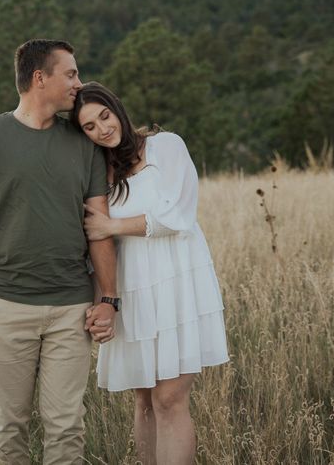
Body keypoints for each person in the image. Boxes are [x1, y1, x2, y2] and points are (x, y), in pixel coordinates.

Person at [0, 40, 119, 464]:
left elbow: (98, 227)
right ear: (39, 78)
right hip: (4, 306)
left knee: (66, 427)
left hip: (70, 308)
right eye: (71, 74)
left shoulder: (83, 144)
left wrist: (108, 300)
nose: (79, 83)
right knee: (8, 428)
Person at [72, 82, 228, 465]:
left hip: (177, 280)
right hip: (134, 287)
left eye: (104, 116)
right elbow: (95, 240)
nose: (102, 129)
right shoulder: (99, 172)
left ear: (117, 108)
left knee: (169, 398)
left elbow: (178, 215)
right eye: (89, 127)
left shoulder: (165, 146)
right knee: (143, 401)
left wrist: (113, 226)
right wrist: (102, 299)